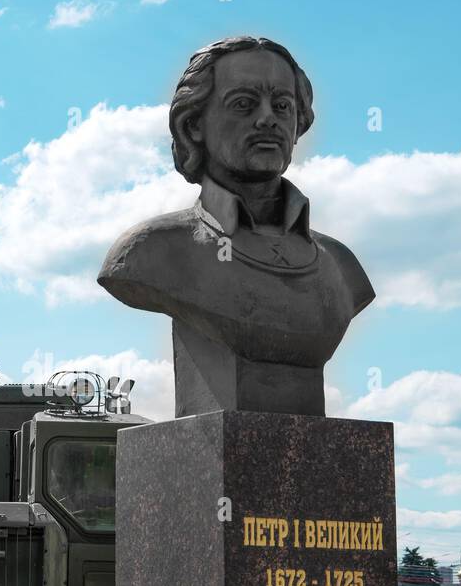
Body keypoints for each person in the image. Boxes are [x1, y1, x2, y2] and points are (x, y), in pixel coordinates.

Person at [99, 36, 375, 418]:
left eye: (282, 106)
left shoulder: (342, 266)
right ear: (194, 125)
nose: (267, 119)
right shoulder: (152, 252)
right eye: (244, 104)